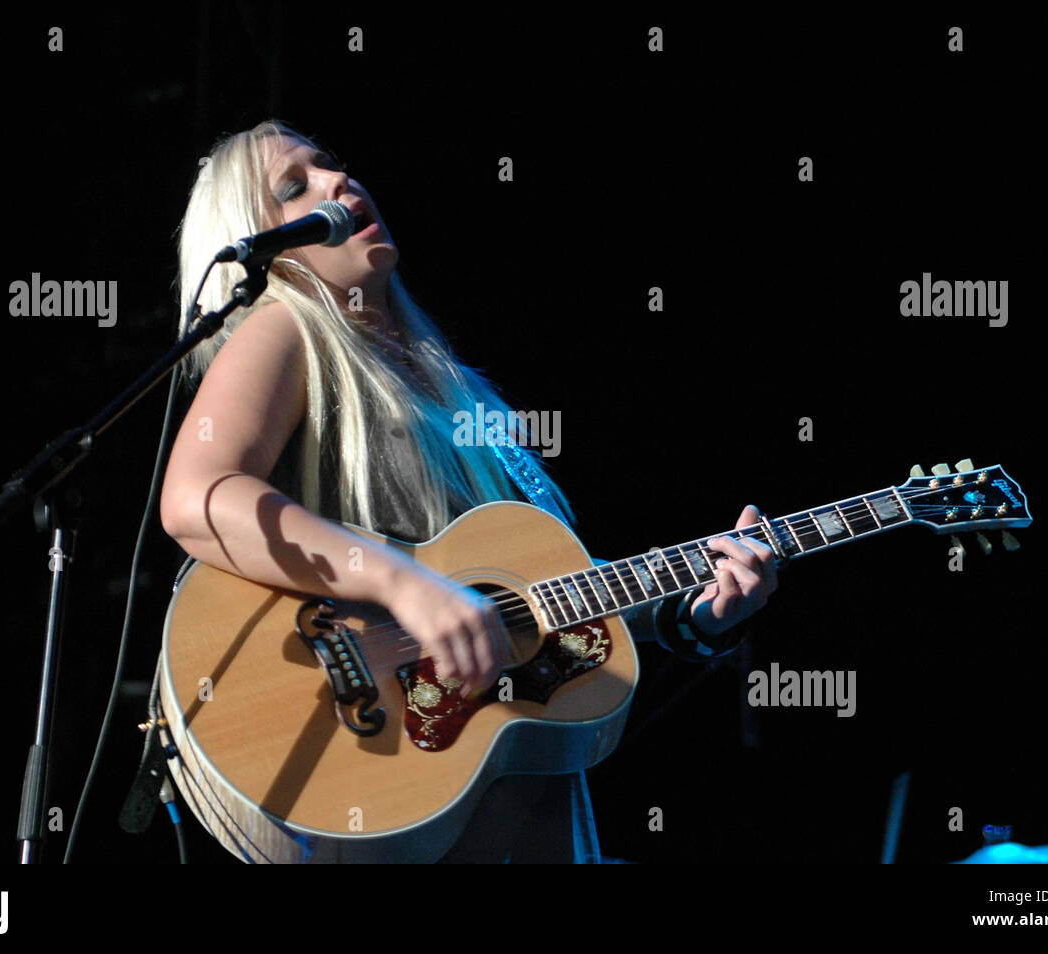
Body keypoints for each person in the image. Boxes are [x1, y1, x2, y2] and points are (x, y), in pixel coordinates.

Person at [159, 120, 778, 862]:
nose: (337, 183)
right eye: (295, 187)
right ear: (255, 249)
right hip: (389, 768)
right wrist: (404, 586)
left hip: (516, 801)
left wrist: (694, 617)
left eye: (333, 165)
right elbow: (195, 496)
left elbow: (547, 605)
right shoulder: (283, 329)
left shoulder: (459, 390)